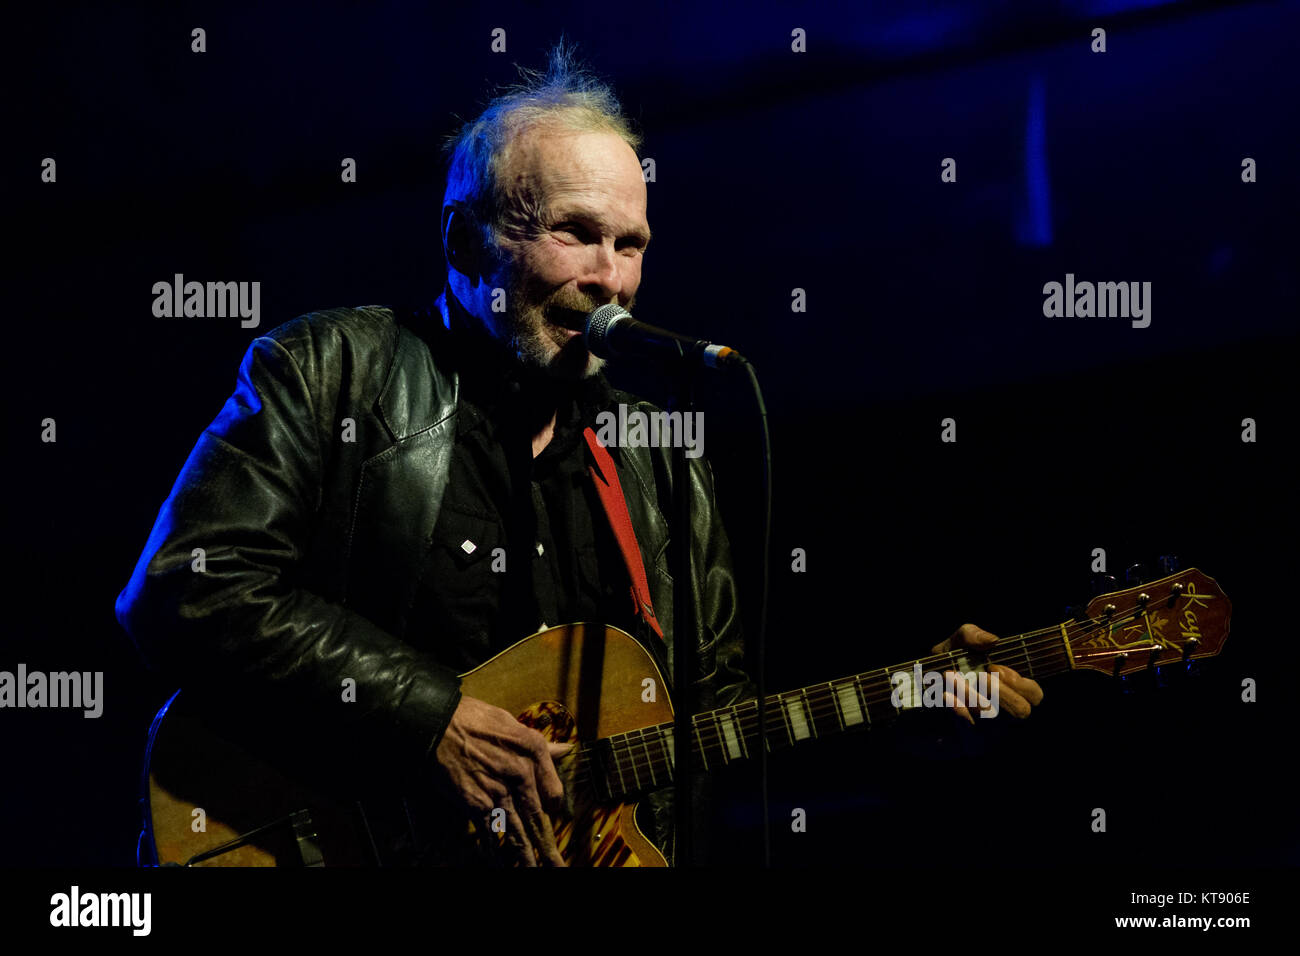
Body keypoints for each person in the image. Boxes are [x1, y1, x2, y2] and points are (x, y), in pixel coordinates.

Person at [116, 44, 1043, 867]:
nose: (609, 277)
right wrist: (426, 719)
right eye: (575, 233)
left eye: (630, 243)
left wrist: (899, 715)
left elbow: (712, 716)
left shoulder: (658, 461)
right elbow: (186, 586)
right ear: (466, 241)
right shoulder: (334, 371)